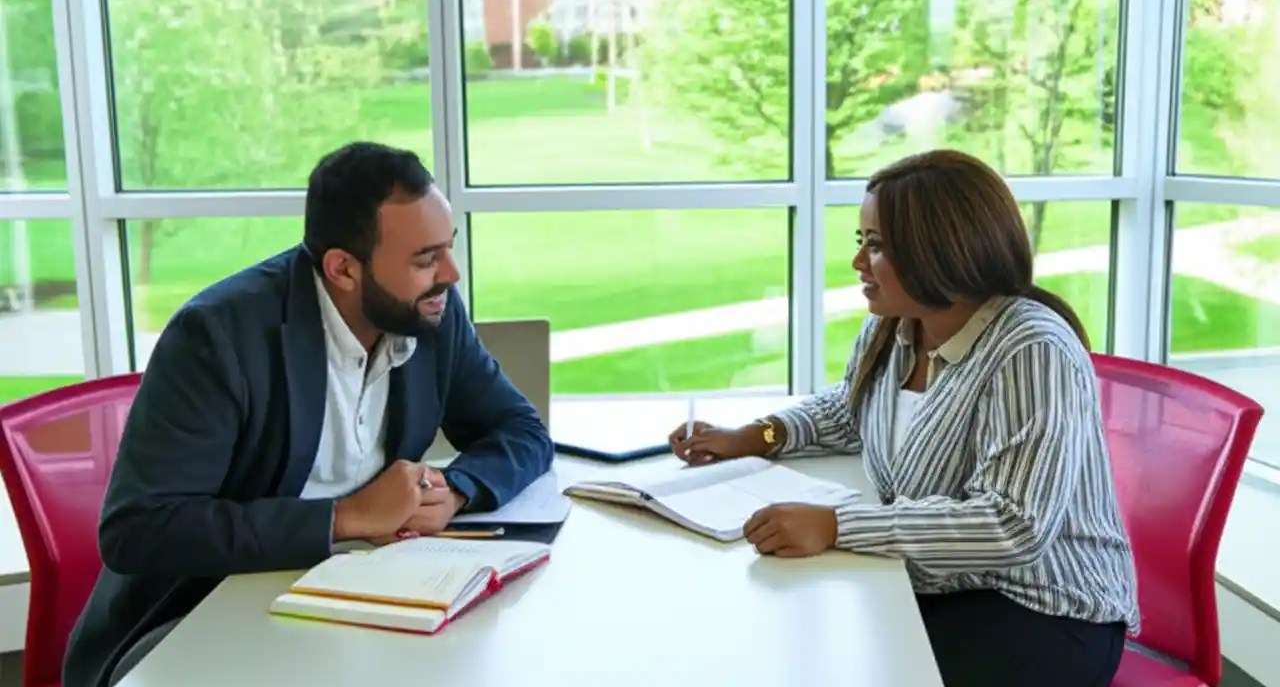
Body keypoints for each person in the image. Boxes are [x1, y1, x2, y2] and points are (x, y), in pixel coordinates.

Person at [64, 142, 554, 687]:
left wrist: (455, 488)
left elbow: (520, 430)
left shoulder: (431, 312)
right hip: (198, 618)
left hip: (359, 604)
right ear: (343, 268)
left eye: (448, 248)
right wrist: (343, 517)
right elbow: (141, 529)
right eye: (424, 258)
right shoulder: (217, 337)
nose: (451, 274)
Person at [668, 149, 1140, 687]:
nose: (858, 263)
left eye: (877, 246)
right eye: (860, 242)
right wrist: (756, 436)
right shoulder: (897, 327)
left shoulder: (1032, 347)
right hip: (943, 586)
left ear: (940, 251)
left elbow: (1012, 524)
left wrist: (837, 525)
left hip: (1043, 612)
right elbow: (851, 410)